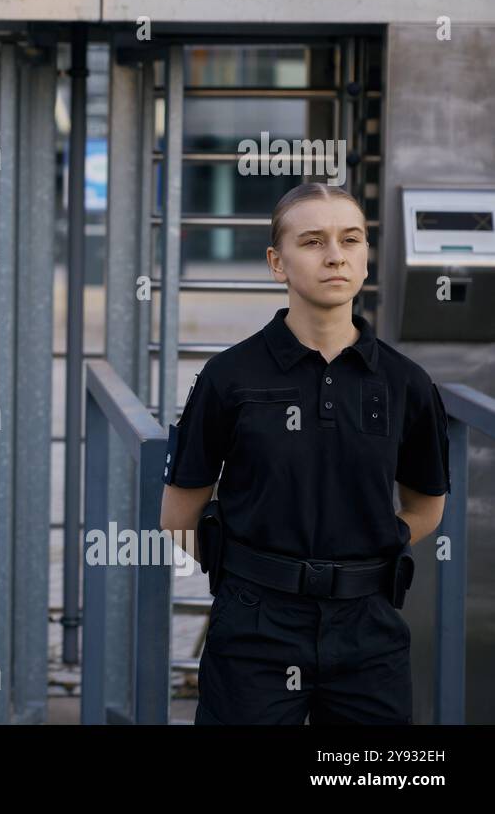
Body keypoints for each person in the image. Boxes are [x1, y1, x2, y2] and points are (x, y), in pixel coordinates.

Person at [160, 182, 450, 725]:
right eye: (313, 241)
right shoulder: (228, 378)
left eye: (351, 239)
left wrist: (364, 546)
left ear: (366, 257)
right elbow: (178, 519)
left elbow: (427, 506)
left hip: (370, 629)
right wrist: (256, 578)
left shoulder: (407, 383)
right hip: (255, 631)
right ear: (277, 262)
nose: (336, 255)